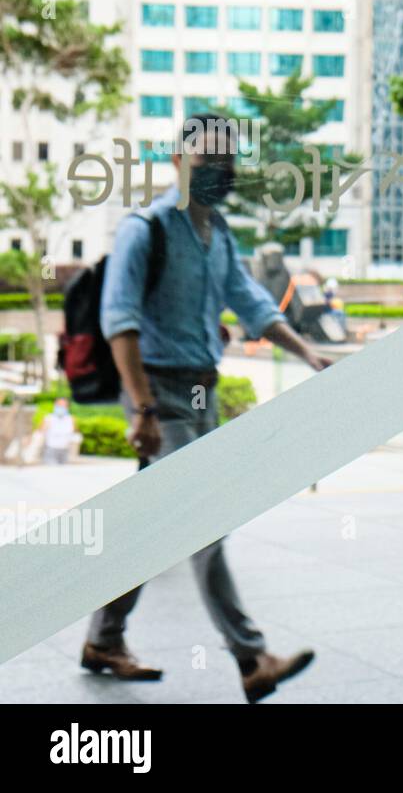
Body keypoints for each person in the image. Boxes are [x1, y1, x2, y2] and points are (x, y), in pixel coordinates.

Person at [80, 114, 333, 703]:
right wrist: (141, 409)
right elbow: (118, 322)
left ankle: (104, 640)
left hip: (202, 391)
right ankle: (252, 659)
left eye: (227, 163)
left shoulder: (218, 235)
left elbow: (251, 303)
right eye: (206, 162)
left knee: (150, 527)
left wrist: (308, 352)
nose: (219, 172)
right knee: (203, 521)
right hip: (160, 395)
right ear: (177, 162)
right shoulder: (144, 230)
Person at [40, 398, 77, 465]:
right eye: (59, 405)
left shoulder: (71, 419)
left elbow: (76, 434)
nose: (61, 407)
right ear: (55, 405)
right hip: (51, 449)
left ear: (67, 407)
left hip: (65, 450)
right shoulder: (48, 418)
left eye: (64, 405)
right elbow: (40, 433)